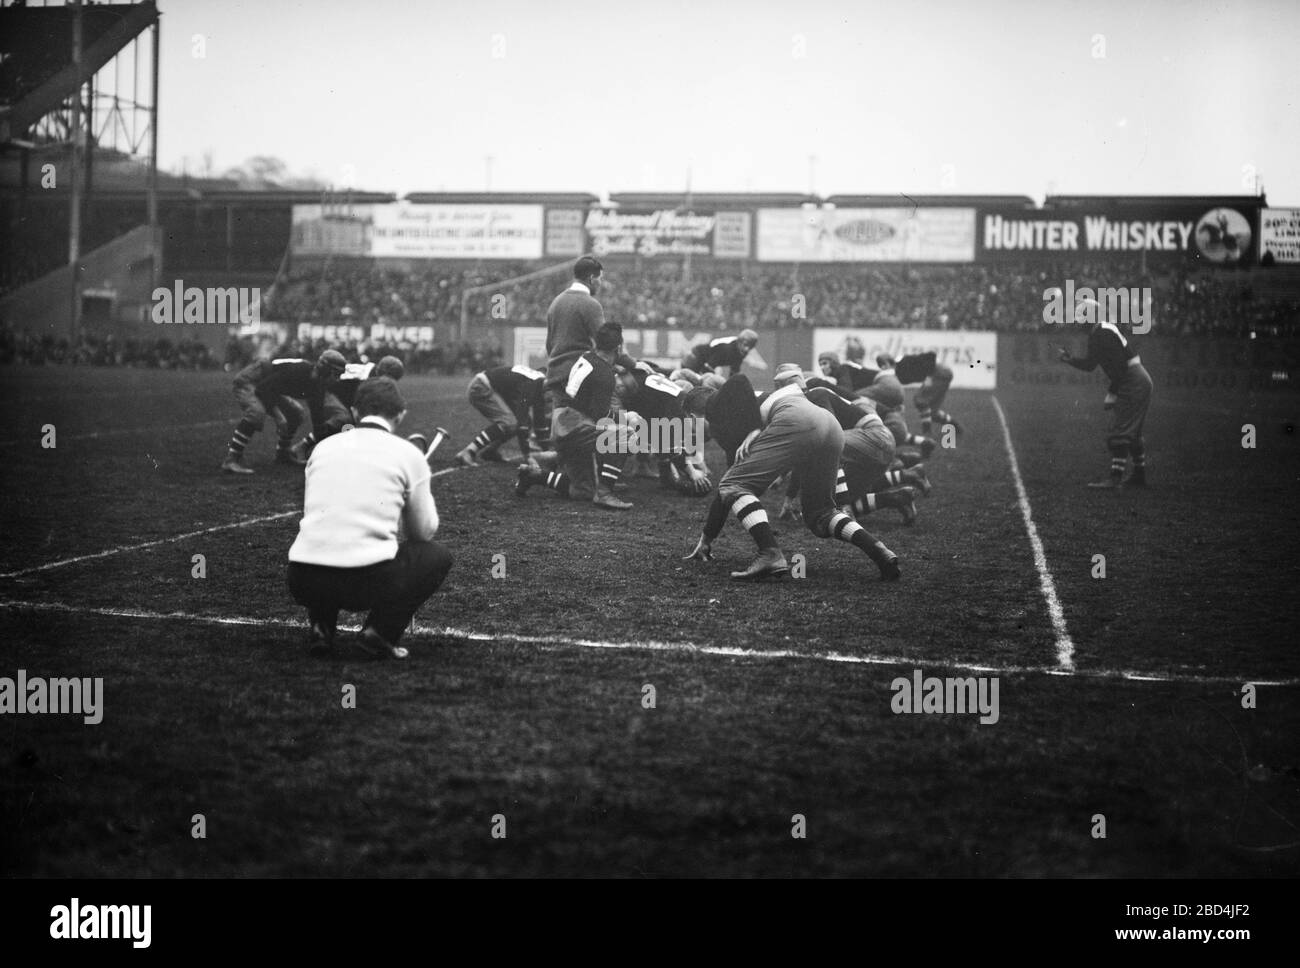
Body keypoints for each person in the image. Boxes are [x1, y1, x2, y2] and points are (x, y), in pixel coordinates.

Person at [681, 366, 900, 582]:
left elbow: (739, 379)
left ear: (693, 415)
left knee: (734, 486)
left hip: (794, 418)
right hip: (829, 425)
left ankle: (770, 553)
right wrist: (706, 539)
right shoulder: (730, 423)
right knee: (820, 515)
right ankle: (878, 549)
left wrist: (755, 428)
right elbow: (726, 489)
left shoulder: (716, 406)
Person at [286, 377, 454, 659]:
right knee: (435, 555)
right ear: (400, 414)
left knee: (328, 535)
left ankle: (321, 629)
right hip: (364, 582)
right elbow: (423, 533)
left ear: (354, 412)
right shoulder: (409, 455)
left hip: (302, 578)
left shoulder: (322, 449)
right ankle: (378, 634)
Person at [517, 322, 634, 510]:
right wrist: (626, 417)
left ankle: (536, 475)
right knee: (626, 435)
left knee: (583, 491)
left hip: (563, 420)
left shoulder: (587, 356)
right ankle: (605, 492)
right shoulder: (604, 374)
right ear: (618, 348)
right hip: (573, 425)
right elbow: (601, 415)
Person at [1059, 298, 1152, 488]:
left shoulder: (1101, 332)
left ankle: (1115, 477)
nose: (1077, 322)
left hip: (1132, 379)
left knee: (1120, 430)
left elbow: (1119, 367)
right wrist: (1071, 360)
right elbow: (1091, 365)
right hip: (1137, 378)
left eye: (1080, 317)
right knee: (1132, 431)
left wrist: (1113, 393)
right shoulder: (1101, 331)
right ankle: (1139, 475)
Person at [222, 350, 347, 473]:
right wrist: (279, 417)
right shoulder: (300, 372)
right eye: (335, 374)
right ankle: (231, 459)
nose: (337, 379)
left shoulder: (318, 387)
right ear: (325, 369)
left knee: (296, 414)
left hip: (268, 386)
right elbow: (262, 390)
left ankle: (283, 454)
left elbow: (319, 426)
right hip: (252, 379)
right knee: (256, 412)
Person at [290, 355, 406, 461]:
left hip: (338, 394)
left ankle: (339, 450)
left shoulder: (372, 374)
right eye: (392, 377)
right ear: (384, 372)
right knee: (344, 419)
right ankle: (303, 445)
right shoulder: (366, 378)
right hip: (324, 390)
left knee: (350, 423)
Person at [456, 363, 550, 466]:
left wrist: (547, 451)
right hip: (481, 387)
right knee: (510, 423)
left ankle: (490, 451)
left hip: (487, 386)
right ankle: (468, 451)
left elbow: (539, 423)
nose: (552, 400)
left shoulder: (538, 383)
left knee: (521, 421)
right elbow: (523, 424)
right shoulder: (533, 385)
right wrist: (527, 456)